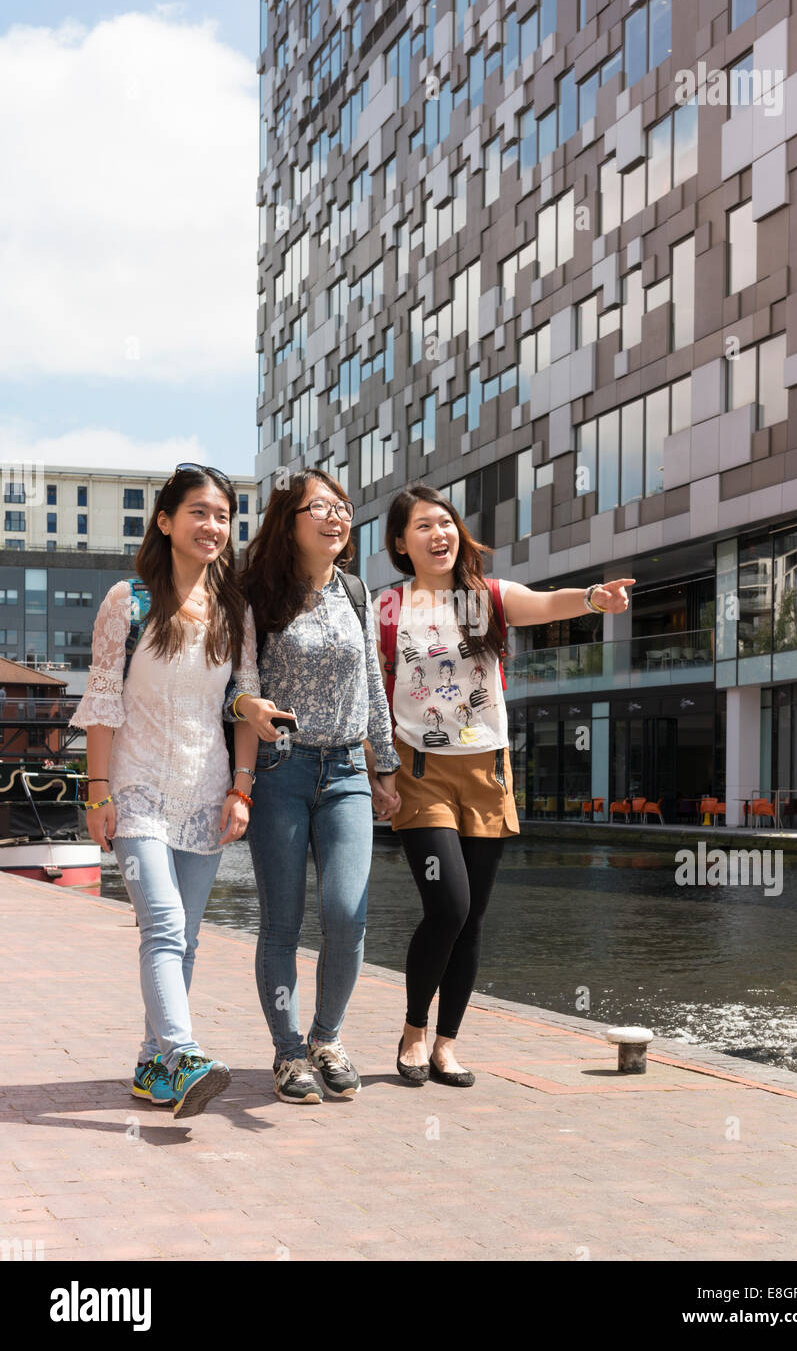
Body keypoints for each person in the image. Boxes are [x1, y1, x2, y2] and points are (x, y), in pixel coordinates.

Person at [376, 482, 634, 1087]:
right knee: (448, 906)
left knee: (472, 919)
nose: (439, 534)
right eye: (423, 526)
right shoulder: (386, 608)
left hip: (487, 771)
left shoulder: (487, 597)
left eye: (445, 523)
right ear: (399, 542)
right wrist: (374, 763)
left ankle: (445, 1044)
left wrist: (596, 598)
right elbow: (370, 687)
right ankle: (413, 1028)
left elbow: (546, 604)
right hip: (419, 770)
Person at [69, 464, 261, 1119]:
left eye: (224, 516)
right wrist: (98, 793)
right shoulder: (129, 599)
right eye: (200, 513)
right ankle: (182, 1053)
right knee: (164, 923)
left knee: (188, 936)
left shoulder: (235, 609)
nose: (213, 527)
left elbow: (243, 705)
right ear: (165, 521)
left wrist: (241, 789)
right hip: (137, 787)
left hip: (206, 792)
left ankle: (154, 1066)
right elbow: (102, 699)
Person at [223, 468, 400, 1103]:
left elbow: (374, 684)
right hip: (282, 769)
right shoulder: (259, 595)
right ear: (289, 523)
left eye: (342, 507)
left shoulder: (355, 591)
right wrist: (251, 709)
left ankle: (328, 1037)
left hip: (348, 770)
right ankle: (288, 1051)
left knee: (346, 915)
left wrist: (384, 765)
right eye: (319, 508)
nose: (336, 517)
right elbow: (238, 680)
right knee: (282, 922)